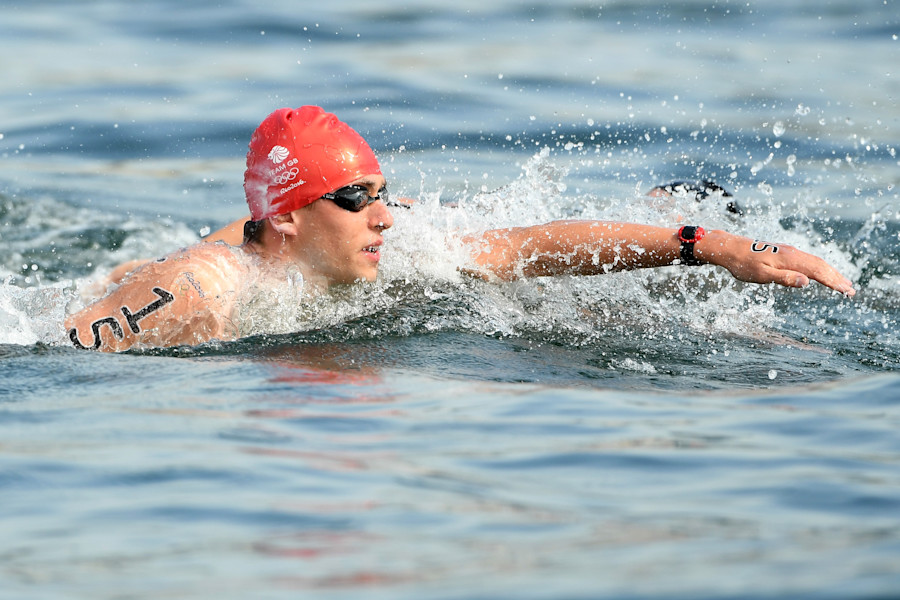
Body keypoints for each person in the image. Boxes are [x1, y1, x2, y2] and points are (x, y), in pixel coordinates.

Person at [64, 106, 856, 352]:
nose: (384, 214)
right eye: (356, 198)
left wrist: (711, 246)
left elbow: (524, 248)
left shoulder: (392, 241)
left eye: (383, 193)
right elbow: (61, 353)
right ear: (288, 217)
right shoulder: (200, 290)